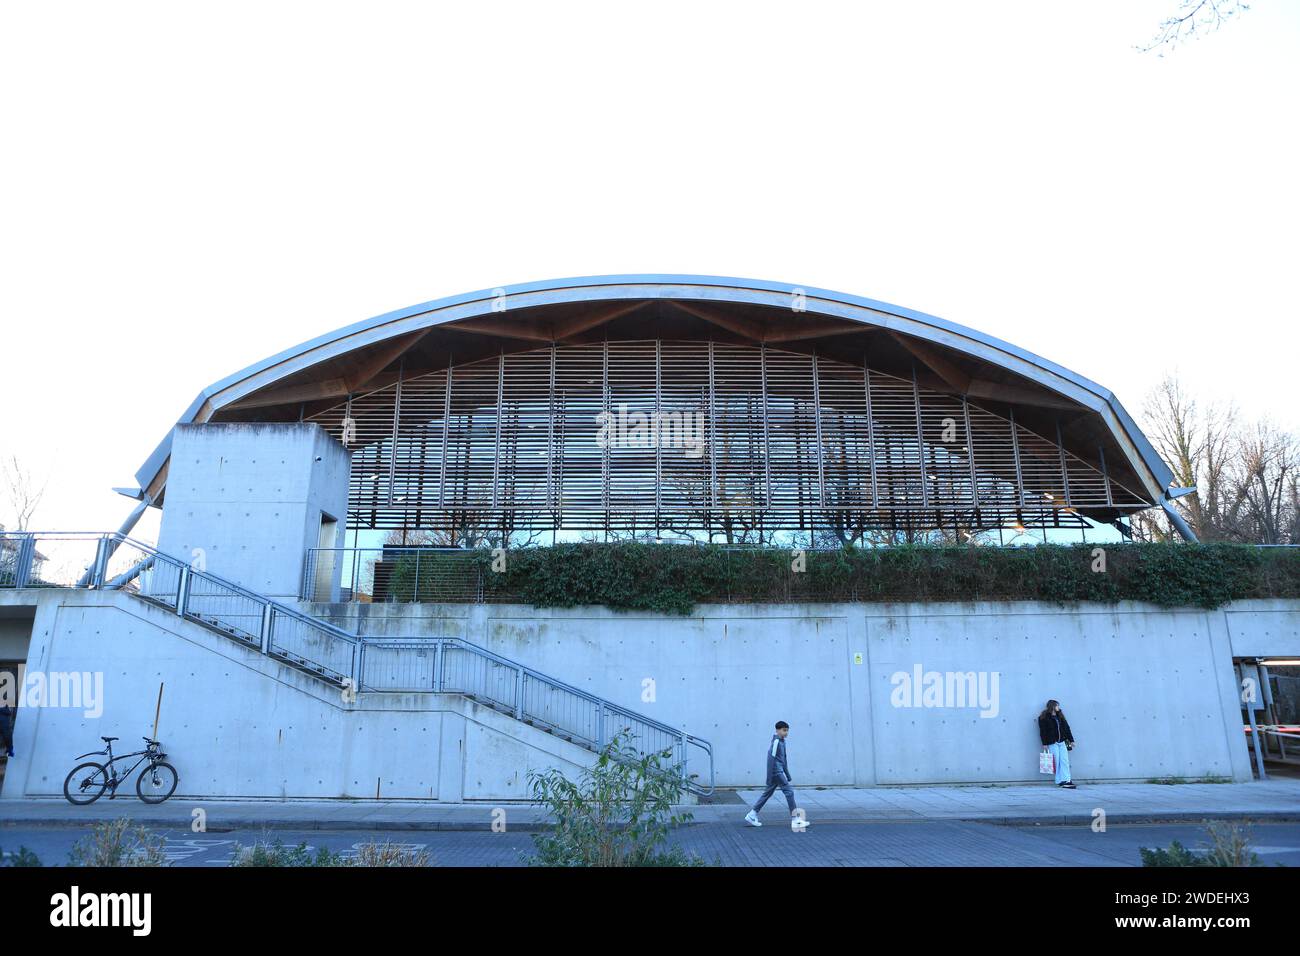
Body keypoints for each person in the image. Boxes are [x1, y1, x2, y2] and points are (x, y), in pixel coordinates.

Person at [745, 720, 808, 828]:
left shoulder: (783, 742)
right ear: (777, 730)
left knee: (767, 793)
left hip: (778, 772)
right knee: (789, 792)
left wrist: (788, 775)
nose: (786, 733)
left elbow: (784, 760)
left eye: (787, 730)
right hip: (776, 772)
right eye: (784, 730)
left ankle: (752, 814)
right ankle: (795, 820)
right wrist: (769, 776)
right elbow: (770, 758)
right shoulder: (776, 742)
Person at [1038, 699, 1076, 789]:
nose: (1058, 707)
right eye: (1057, 705)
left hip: (1062, 742)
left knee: (1065, 761)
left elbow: (1067, 728)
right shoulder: (1043, 717)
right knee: (1057, 762)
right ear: (1052, 706)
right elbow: (1043, 732)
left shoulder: (1060, 716)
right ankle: (1060, 781)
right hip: (1052, 743)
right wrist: (1044, 743)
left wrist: (1071, 740)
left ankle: (1067, 780)